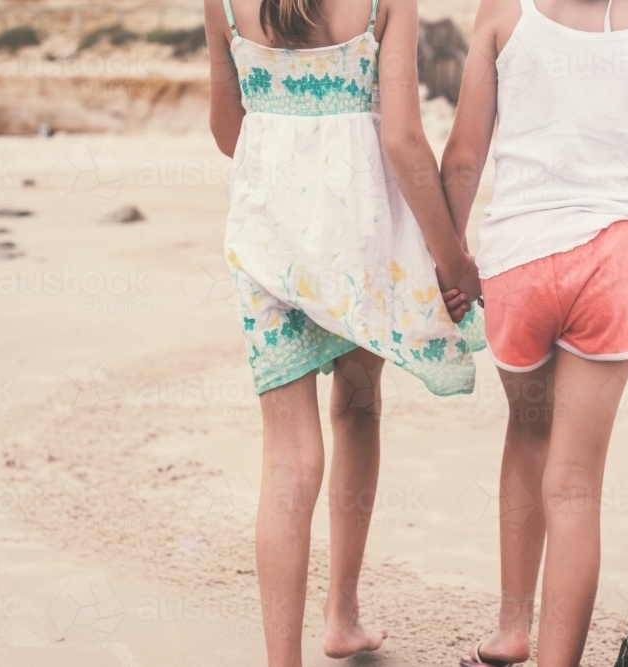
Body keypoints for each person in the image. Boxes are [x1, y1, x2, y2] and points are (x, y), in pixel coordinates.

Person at [440, 0, 628, 664]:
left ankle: (512, 629)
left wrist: (452, 256)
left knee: (527, 435)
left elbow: (461, 158)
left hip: (518, 262)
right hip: (613, 263)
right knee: (574, 485)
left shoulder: (504, 12)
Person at [203, 0, 483, 664]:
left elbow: (225, 130)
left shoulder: (222, 4)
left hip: (267, 235)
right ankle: (342, 613)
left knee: (287, 458)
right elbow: (405, 142)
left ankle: (283, 659)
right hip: (355, 236)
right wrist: (452, 257)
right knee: (358, 409)